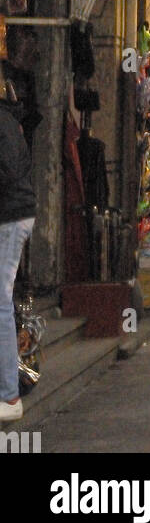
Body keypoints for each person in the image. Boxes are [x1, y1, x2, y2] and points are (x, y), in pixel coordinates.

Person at [0, 78, 36, 422]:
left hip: (9, 217)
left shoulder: (3, 121)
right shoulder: (8, 119)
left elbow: (8, 173)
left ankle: (9, 394)